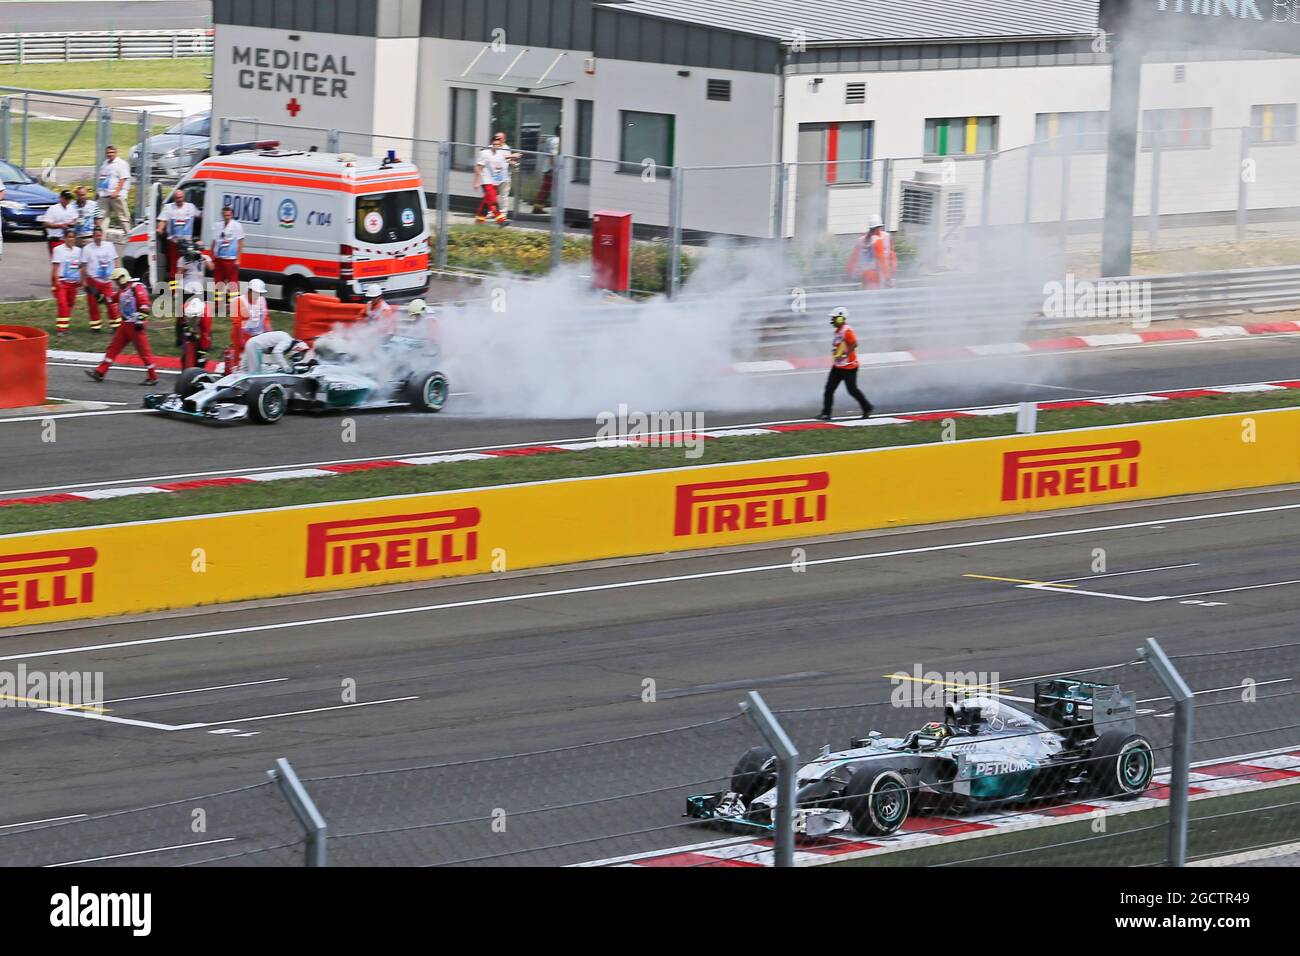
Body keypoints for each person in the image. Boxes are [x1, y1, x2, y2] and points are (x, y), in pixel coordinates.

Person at [85, 268, 157, 385]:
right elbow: (109, 300)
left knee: (144, 352)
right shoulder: (122, 291)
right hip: (125, 326)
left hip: (135, 326)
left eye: (116, 280)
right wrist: (96, 294)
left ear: (122, 278)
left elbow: (145, 305)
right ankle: (100, 372)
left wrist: (140, 321)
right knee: (113, 348)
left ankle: (153, 377)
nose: (115, 283)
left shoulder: (136, 288)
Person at [817, 307, 872, 421]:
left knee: (852, 390)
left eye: (834, 318)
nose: (831, 321)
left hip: (849, 367)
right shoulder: (838, 330)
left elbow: (854, 343)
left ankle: (867, 407)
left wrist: (845, 354)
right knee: (829, 389)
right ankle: (826, 413)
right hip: (838, 366)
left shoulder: (847, 330)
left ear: (841, 318)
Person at [156, 188, 199, 289]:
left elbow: (201, 215)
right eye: (177, 198)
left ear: (184, 197)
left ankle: (185, 289)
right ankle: (174, 291)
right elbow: (163, 220)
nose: (179, 199)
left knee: (187, 268)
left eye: (181, 197)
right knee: (174, 269)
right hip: (174, 244)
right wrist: (160, 229)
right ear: (174, 198)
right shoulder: (169, 208)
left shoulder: (191, 207)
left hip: (188, 244)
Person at [81, 226, 120, 331]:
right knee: (93, 304)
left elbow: (115, 260)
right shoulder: (87, 249)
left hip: (107, 281)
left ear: (102, 235)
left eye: (99, 235)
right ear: (93, 236)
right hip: (93, 280)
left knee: (110, 302)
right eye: (96, 236)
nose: (98, 238)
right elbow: (83, 266)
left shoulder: (109, 246)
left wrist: (118, 275)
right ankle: (96, 326)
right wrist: (84, 282)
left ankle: (115, 325)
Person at [846, 214, 898, 290]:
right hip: (877, 275)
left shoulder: (861, 240)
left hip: (865, 275)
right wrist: (888, 278)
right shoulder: (878, 240)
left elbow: (853, 259)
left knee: (868, 297)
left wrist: (849, 274)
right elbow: (882, 260)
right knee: (876, 298)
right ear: (880, 227)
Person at [50, 229, 84, 334]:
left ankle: (64, 325)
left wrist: (82, 280)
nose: (71, 239)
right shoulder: (58, 250)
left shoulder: (78, 251)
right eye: (69, 237)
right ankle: (61, 329)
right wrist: (56, 282)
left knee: (70, 304)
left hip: (73, 283)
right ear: (64, 238)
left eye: (73, 237)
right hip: (62, 282)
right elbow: (55, 267)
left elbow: (80, 267)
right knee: (63, 304)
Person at [473, 136, 510, 225]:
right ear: (491, 144)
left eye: (498, 145)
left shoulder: (500, 153)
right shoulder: (485, 153)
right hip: (486, 181)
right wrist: (477, 182)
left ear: (501, 145)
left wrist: (514, 157)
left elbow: (505, 158)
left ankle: (479, 221)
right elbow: (478, 167)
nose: (496, 146)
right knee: (493, 201)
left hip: (494, 181)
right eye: (494, 144)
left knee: (486, 201)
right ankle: (501, 220)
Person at [230, 276, 272, 354]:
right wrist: (242, 342)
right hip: (242, 337)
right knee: (240, 361)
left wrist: (270, 335)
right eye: (256, 293)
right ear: (249, 291)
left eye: (260, 294)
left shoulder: (262, 300)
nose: (258, 296)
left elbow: (266, 318)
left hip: (258, 336)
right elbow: (238, 325)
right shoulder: (238, 302)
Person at [212, 205, 244, 305]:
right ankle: (218, 304)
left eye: (229, 215)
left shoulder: (237, 226)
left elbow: (241, 243)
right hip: (219, 259)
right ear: (222, 215)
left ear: (232, 215)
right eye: (225, 215)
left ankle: (232, 305)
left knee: (232, 283)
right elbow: (214, 241)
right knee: (218, 282)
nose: (227, 217)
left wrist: (238, 259)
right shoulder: (218, 225)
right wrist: (213, 256)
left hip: (231, 259)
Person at [97, 145, 132, 232]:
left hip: (116, 195)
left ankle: (129, 236)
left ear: (116, 153)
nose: (109, 154)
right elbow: (102, 178)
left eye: (112, 152)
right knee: (103, 217)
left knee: (122, 217)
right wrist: (99, 191)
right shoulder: (105, 163)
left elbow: (123, 178)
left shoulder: (121, 163)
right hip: (105, 195)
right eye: (108, 153)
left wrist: (116, 191)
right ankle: (101, 240)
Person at [240, 329, 308, 373]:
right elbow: (277, 352)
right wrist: (286, 367)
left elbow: (275, 354)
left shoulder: (286, 338)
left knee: (243, 370)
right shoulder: (287, 341)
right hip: (255, 346)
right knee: (255, 373)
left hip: (252, 343)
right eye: (300, 353)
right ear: (297, 348)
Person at [178, 296, 213, 370]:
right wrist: (187, 330)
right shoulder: (183, 309)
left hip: (203, 330)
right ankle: (185, 371)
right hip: (191, 326)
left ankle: (199, 370)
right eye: (190, 318)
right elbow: (181, 322)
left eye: (194, 318)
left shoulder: (206, 318)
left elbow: (205, 336)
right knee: (185, 354)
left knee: (201, 358)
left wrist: (202, 352)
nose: (191, 320)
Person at [532, 133, 560, 214]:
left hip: (547, 167)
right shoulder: (556, 140)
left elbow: (542, 141)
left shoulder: (551, 139)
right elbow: (552, 154)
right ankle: (537, 208)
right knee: (545, 189)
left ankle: (538, 207)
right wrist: (554, 167)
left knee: (545, 189)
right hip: (551, 168)